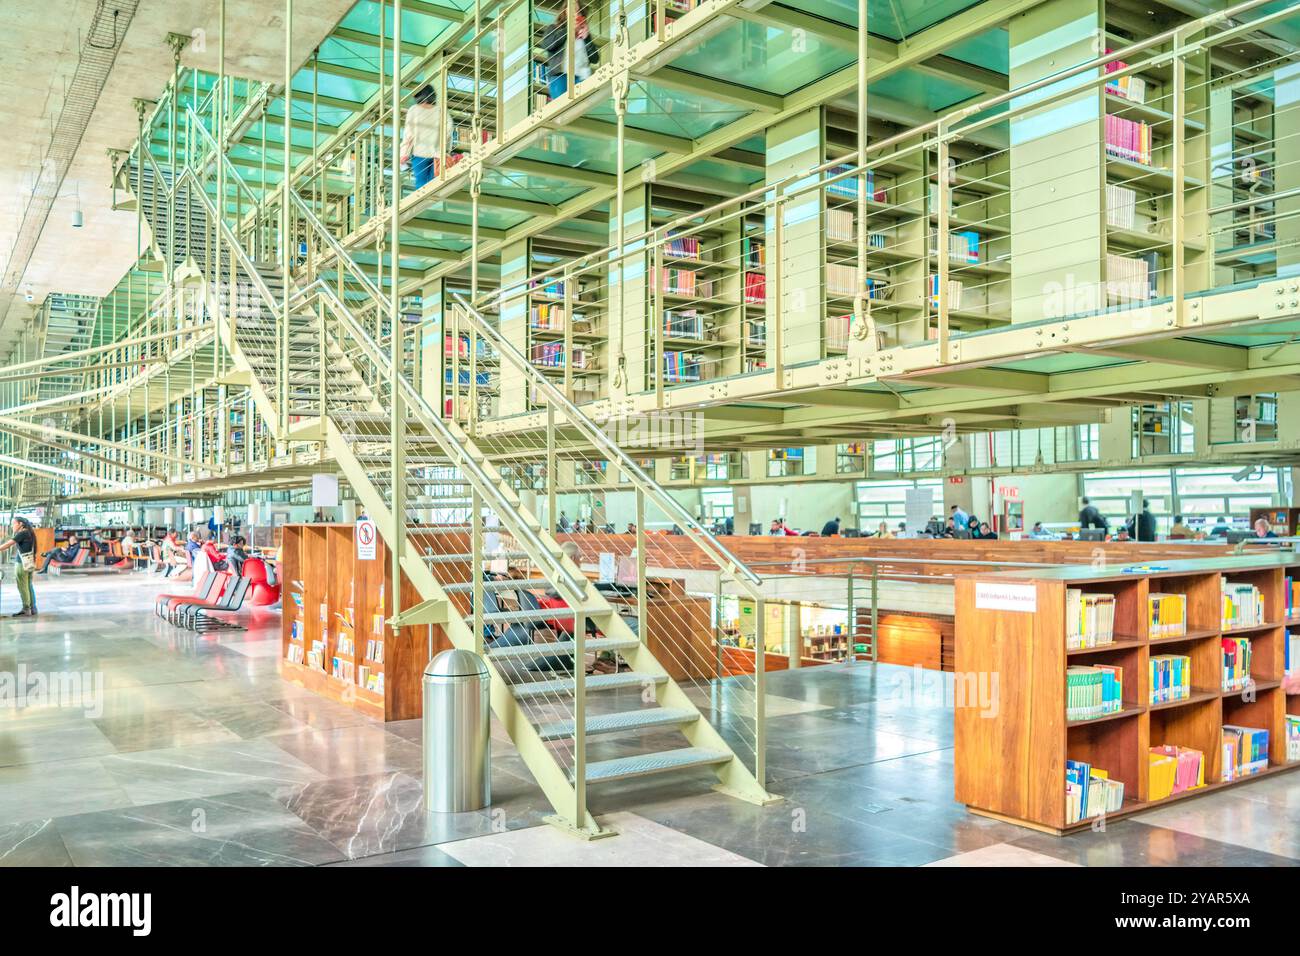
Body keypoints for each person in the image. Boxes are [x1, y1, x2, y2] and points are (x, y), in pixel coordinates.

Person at [543, 7, 599, 98]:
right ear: (565, 12)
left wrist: (587, 38)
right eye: (573, 9)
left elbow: (595, 59)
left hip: (582, 77)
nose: (576, 13)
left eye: (579, 11)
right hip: (561, 77)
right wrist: (569, 29)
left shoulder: (584, 34)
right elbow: (548, 45)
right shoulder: (555, 28)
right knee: (562, 104)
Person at [399, 84, 442, 189]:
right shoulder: (440, 110)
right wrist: (446, 151)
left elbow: (409, 134)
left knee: (421, 185)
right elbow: (448, 131)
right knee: (435, 182)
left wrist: (404, 153)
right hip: (437, 153)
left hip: (420, 153)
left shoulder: (414, 110)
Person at [0, 517, 38, 617]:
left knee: (22, 586)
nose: (12, 526)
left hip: (21, 564)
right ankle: (33, 608)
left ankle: (26, 609)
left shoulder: (22, 533)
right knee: (28, 585)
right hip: (29, 562)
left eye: (14, 524)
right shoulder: (29, 532)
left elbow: (8, 544)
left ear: (20, 524)